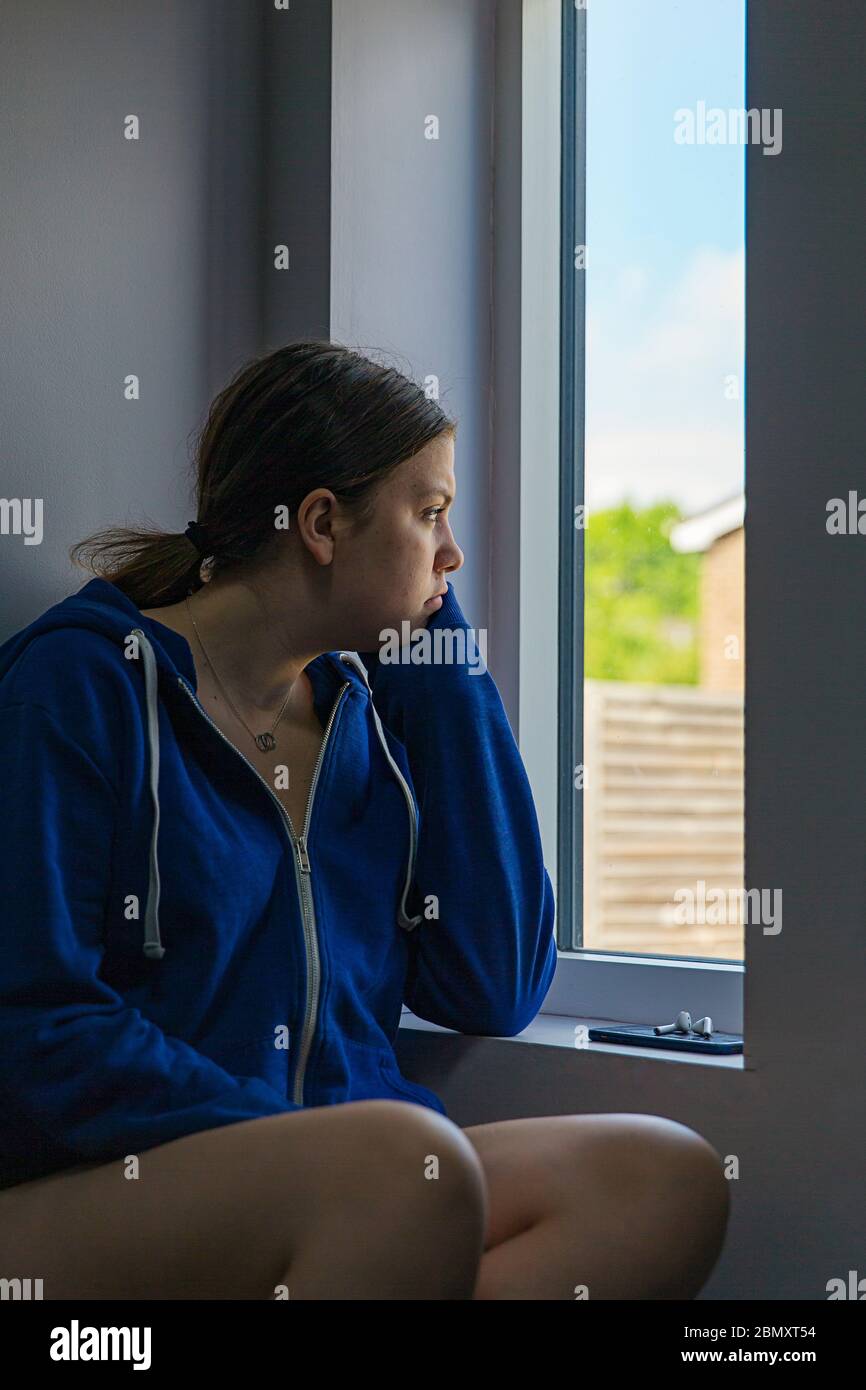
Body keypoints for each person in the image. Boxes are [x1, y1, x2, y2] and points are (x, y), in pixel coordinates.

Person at [0, 340, 729, 1299]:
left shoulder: (362, 717)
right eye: (429, 515)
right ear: (320, 524)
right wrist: (298, 1143)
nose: (452, 554)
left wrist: (439, 653)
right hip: (97, 1188)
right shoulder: (80, 687)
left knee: (660, 1176)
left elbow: (494, 982)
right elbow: (34, 1018)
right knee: (399, 1170)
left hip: (357, 1175)